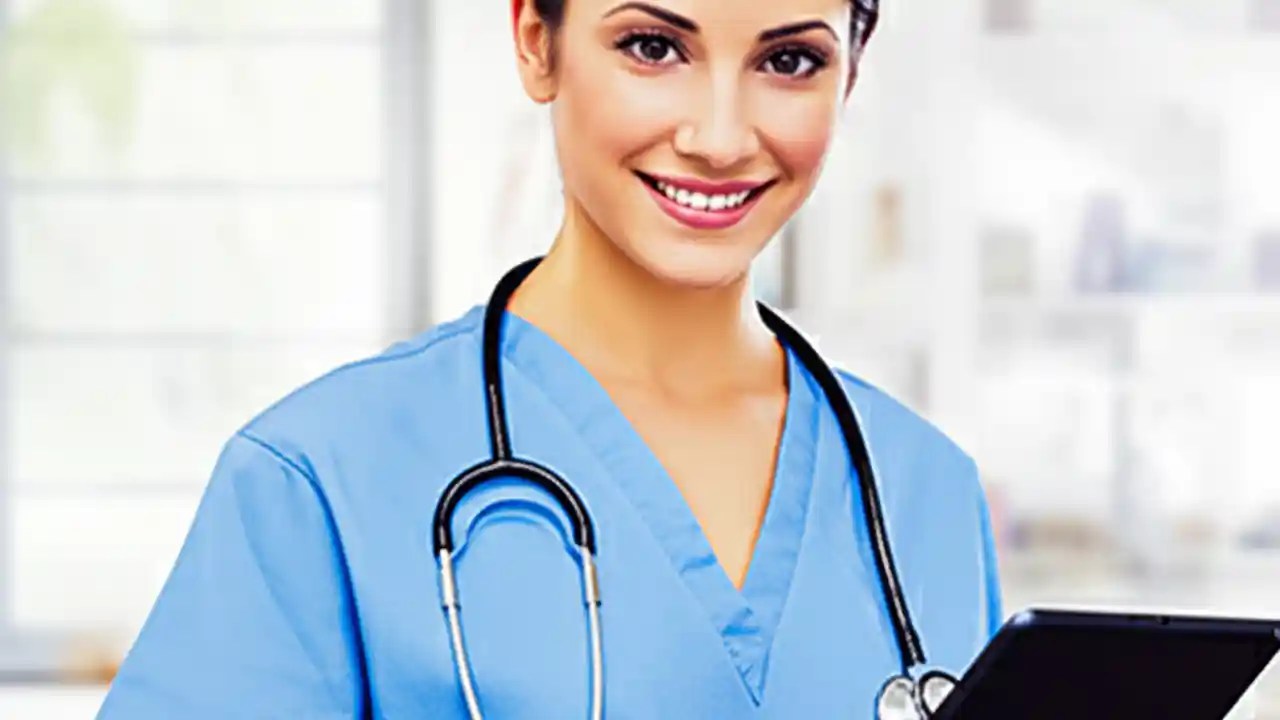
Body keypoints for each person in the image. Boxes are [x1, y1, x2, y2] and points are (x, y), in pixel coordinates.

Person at [97, 0, 1002, 717]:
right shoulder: (321, 479)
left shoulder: (925, 490)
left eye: (789, 61)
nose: (721, 138)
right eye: (653, 46)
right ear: (536, 40)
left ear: (850, 75)